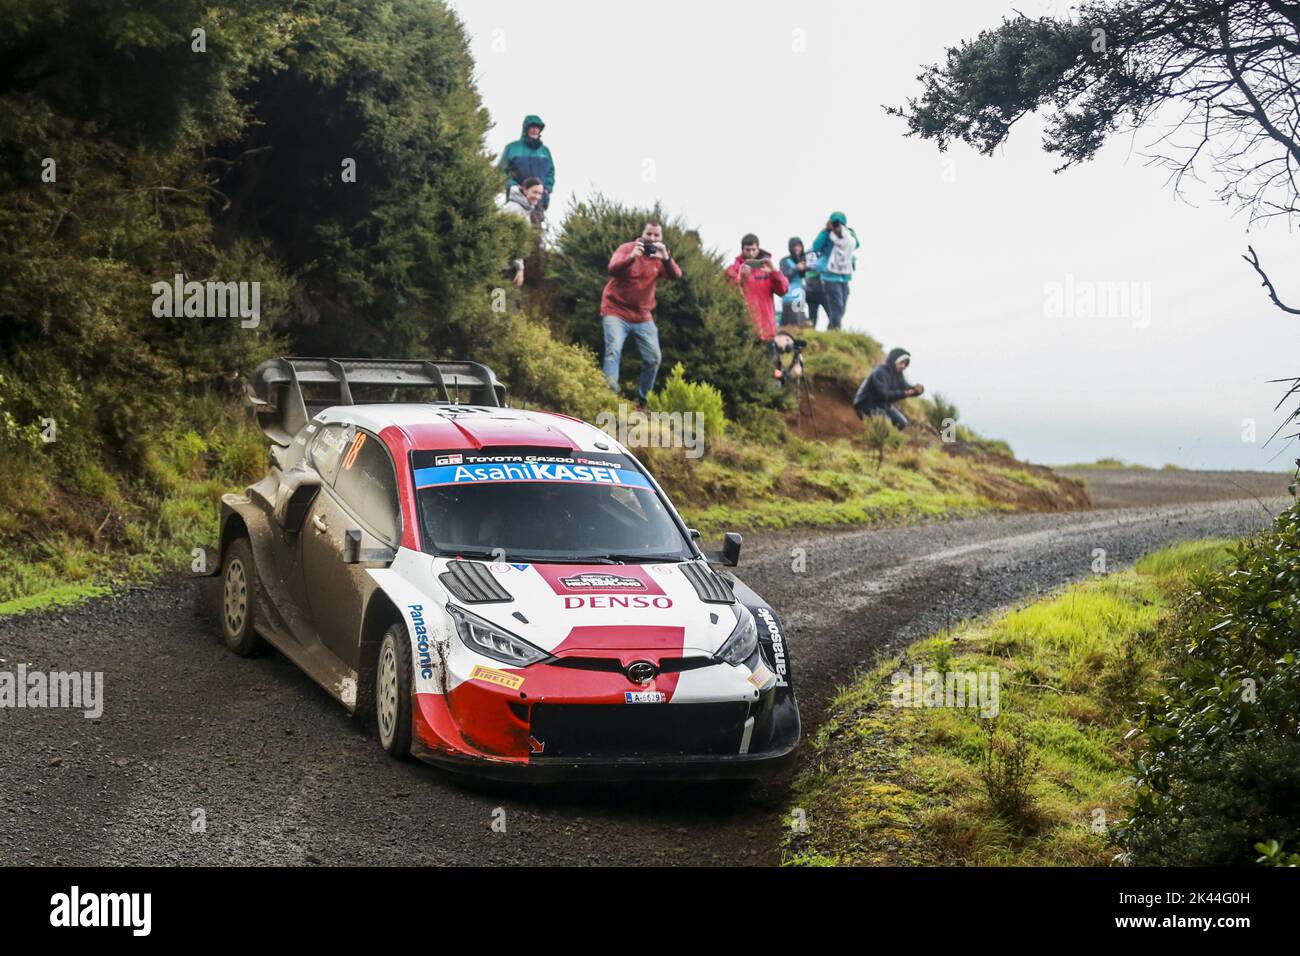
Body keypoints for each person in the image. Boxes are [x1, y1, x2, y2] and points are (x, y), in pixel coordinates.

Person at [601, 221, 682, 405]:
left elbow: (677, 275)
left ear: (661, 238)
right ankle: (608, 398)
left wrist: (666, 259)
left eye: (656, 235)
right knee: (613, 351)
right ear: (642, 233)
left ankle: (643, 401)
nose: (652, 238)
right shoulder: (628, 248)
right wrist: (631, 257)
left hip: (642, 316)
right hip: (615, 310)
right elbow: (612, 268)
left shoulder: (660, 257)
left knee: (654, 358)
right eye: (649, 234)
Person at [725, 234, 789, 342]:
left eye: (754, 250)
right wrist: (742, 280)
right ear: (742, 250)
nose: (751, 253)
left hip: (767, 331)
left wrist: (774, 272)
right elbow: (729, 294)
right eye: (747, 250)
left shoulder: (767, 270)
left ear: (758, 249)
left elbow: (783, 290)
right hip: (743, 330)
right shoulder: (733, 270)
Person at [498, 115, 555, 217]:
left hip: (537, 202)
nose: (535, 130)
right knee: (514, 227)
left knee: (535, 231)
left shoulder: (545, 151)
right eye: (532, 127)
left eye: (537, 128)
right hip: (517, 200)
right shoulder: (512, 148)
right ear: (526, 129)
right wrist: (512, 185)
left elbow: (550, 172)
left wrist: (547, 189)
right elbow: (501, 171)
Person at [810, 211, 859, 330]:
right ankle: (835, 331)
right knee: (836, 305)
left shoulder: (848, 234)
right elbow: (816, 247)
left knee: (841, 307)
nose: (837, 226)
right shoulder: (827, 234)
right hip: (830, 276)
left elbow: (856, 244)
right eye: (835, 223)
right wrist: (825, 231)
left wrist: (847, 233)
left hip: (844, 276)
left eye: (840, 224)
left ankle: (832, 329)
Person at [853, 348, 923, 430]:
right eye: (902, 363)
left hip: (883, 405)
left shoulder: (898, 374)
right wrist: (904, 394)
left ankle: (887, 436)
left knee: (902, 423)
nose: (903, 366)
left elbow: (906, 387)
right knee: (886, 426)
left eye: (905, 364)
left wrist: (916, 390)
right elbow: (884, 395)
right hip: (866, 405)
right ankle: (877, 437)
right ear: (894, 361)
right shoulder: (879, 372)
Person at [499, 177, 544, 287]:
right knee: (500, 303)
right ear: (524, 190)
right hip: (504, 267)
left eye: (540, 193)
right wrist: (520, 268)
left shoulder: (525, 209)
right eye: (535, 192)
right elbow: (511, 241)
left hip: (510, 266)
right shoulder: (514, 209)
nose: (537, 196)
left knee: (508, 303)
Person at [779, 237, 811, 327]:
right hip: (789, 298)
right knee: (791, 326)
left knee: (800, 325)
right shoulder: (785, 261)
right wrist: (796, 268)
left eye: (799, 245)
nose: (797, 248)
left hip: (800, 298)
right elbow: (783, 277)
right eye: (795, 246)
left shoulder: (804, 261)